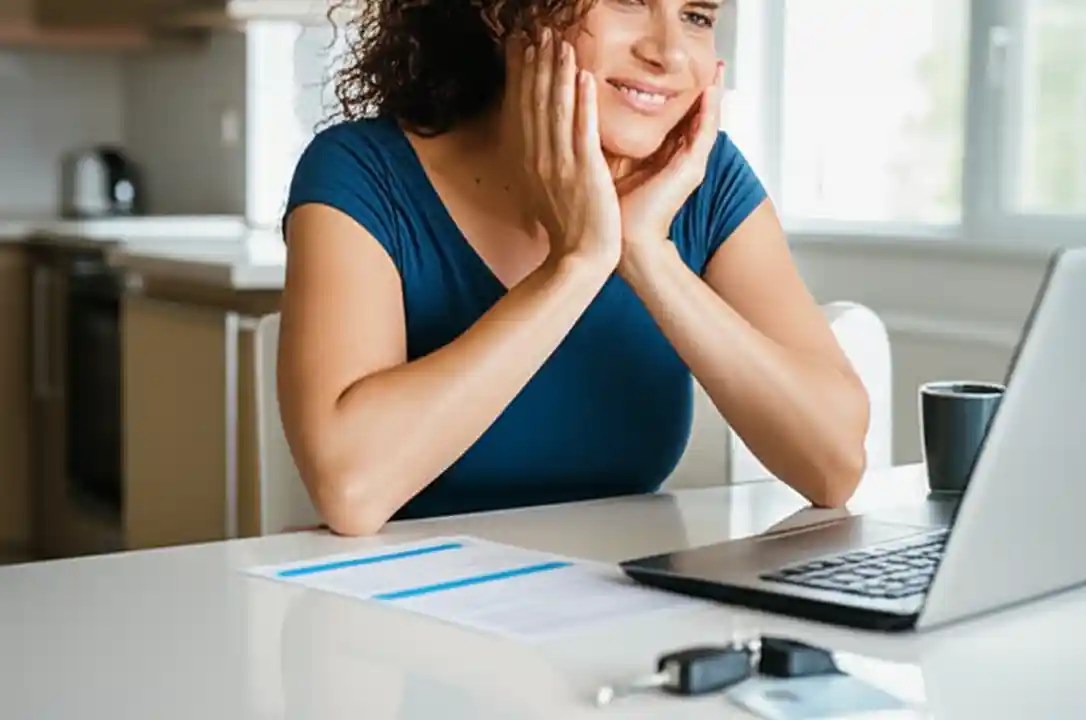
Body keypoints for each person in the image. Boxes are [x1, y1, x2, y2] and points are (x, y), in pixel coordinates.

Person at [278, 0, 870, 536]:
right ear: (509, 13)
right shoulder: (362, 173)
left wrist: (646, 251)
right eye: (629, 2)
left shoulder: (702, 177)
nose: (665, 52)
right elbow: (351, 490)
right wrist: (577, 265)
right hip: (399, 626)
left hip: (620, 622)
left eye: (696, 16)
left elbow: (834, 465)